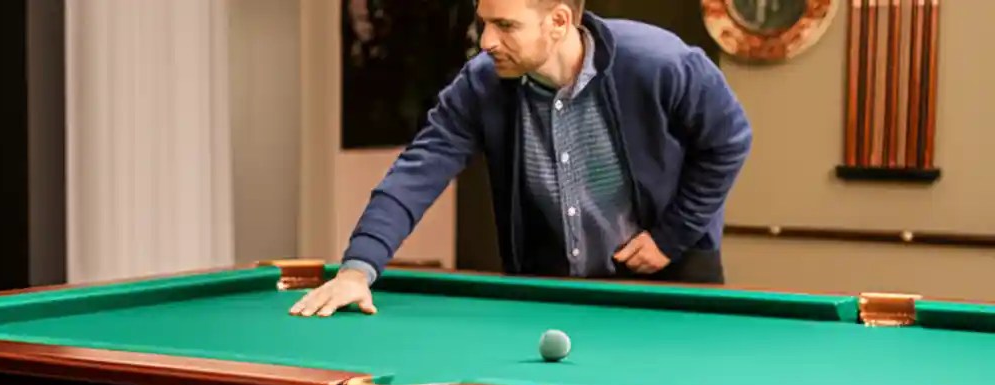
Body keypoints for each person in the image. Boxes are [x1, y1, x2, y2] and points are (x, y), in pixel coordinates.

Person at [291, 0, 753, 318]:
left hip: (669, 279)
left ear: (558, 21)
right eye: (484, 22)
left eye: (506, 26)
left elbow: (729, 140)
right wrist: (357, 270)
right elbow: (417, 172)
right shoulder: (480, 85)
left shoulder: (659, 62)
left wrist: (671, 237)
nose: (486, 41)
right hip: (548, 290)